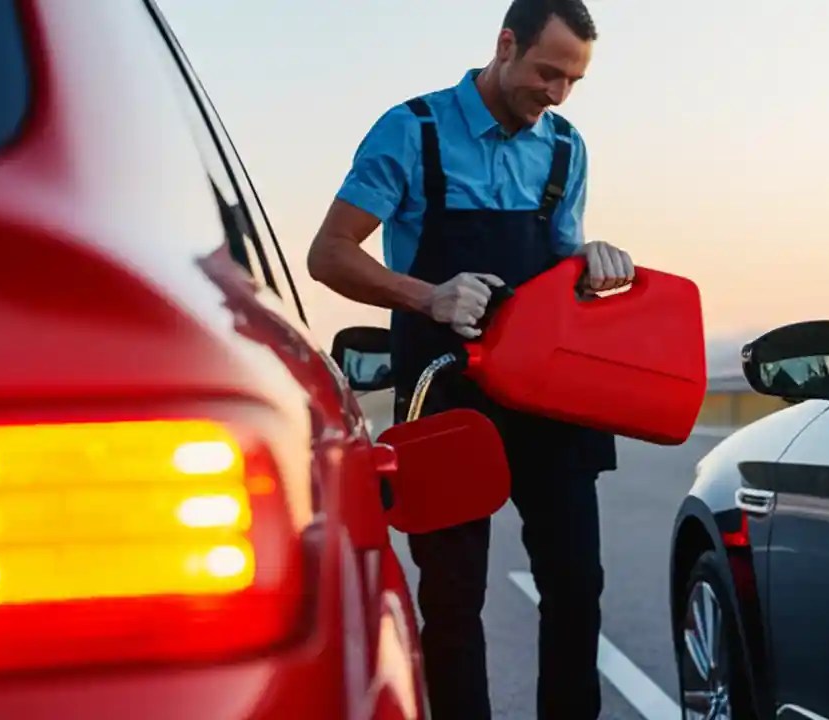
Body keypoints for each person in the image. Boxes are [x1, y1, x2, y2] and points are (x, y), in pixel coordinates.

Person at [306, 1, 633, 717]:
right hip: (443, 399)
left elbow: (554, 270)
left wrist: (589, 259)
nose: (557, 95)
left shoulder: (565, 146)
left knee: (577, 590)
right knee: (453, 603)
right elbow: (328, 255)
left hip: (550, 398)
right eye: (548, 73)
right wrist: (430, 297)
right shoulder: (412, 131)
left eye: (573, 80)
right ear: (505, 44)